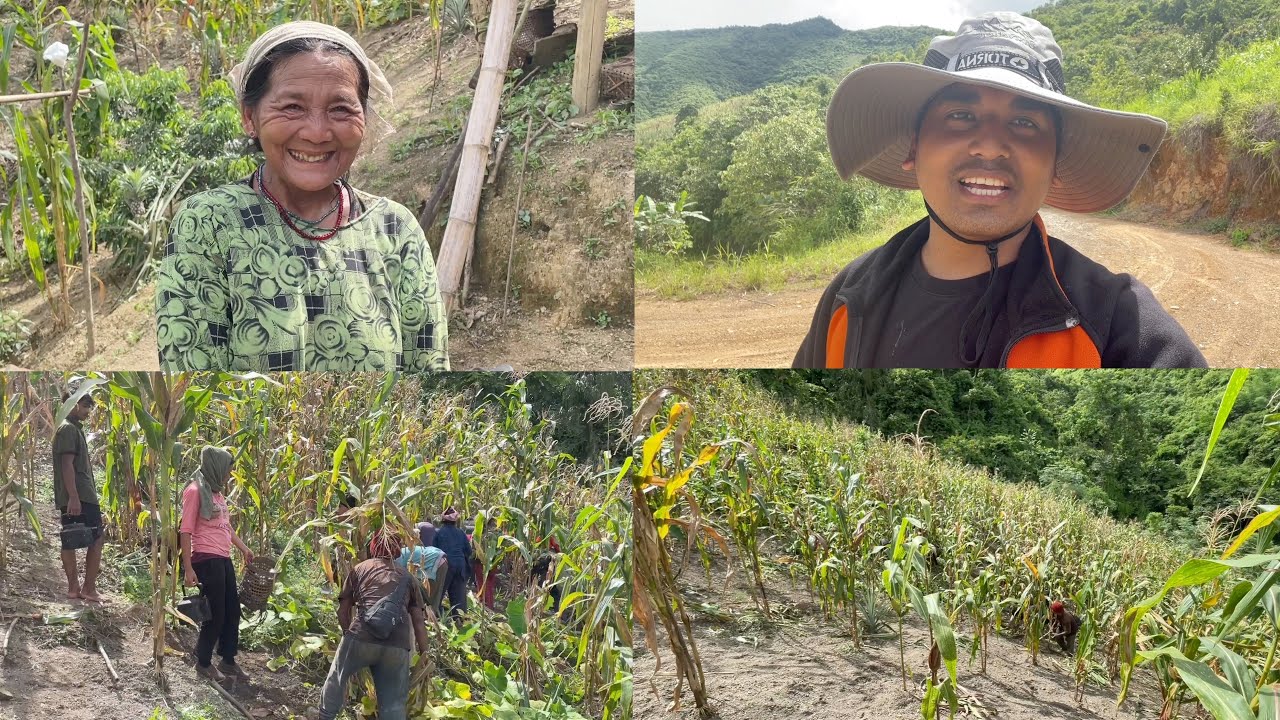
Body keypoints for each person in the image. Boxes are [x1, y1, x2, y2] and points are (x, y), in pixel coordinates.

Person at [795, 12, 1206, 369]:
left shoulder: (1118, 321)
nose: (990, 146)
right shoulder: (850, 295)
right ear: (913, 149)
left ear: (1055, 163)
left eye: (1025, 123)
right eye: (960, 115)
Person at [156, 21, 448, 372]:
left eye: (341, 109)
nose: (317, 132)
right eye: (292, 107)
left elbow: (429, 370)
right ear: (250, 118)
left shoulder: (395, 229)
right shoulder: (210, 223)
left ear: (364, 119)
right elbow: (192, 382)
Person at [319, 529, 430, 720]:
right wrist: (424, 654)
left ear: (373, 546)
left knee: (337, 677)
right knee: (394, 704)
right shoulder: (408, 578)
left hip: (361, 637)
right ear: (397, 551)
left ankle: (326, 716)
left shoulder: (360, 569)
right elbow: (419, 623)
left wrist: (350, 637)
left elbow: (342, 611)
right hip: (397, 646)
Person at [180, 446, 256, 682]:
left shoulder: (217, 494)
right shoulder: (194, 492)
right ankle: (203, 662)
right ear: (216, 467)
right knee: (216, 613)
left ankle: (228, 659)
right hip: (206, 558)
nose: (228, 475)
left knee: (232, 610)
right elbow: (185, 530)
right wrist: (188, 567)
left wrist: (243, 548)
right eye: (226, 470)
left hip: (223, 557)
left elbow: (226, 526)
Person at [54, 381, 106, 603]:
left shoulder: (71, 428)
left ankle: (77, 588)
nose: (87, 411)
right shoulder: (67, 429)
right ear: (74, 404)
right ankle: (86, 589)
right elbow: (67, 464)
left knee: (71, 536)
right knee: (95, 537)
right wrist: (74, 496)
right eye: (86, 406)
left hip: (78, 493)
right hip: (80, 494)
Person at [397, 522, 447, 620]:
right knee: (432, 597)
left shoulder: (400, 555)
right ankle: (433, 619)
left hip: (435, 562)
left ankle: (429, 619)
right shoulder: (413, 549)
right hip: (440, 559)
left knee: (426, 596)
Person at [431, 507, 473, 622]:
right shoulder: (460, 533)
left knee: (439, 592)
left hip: (446, 565)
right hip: (460, 565)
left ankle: (438, 619)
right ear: (455, 521)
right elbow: (469, 551)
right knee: (459, 595)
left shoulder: (439, 533)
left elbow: (434, 551)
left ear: (443, 520)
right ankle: (460, 620)